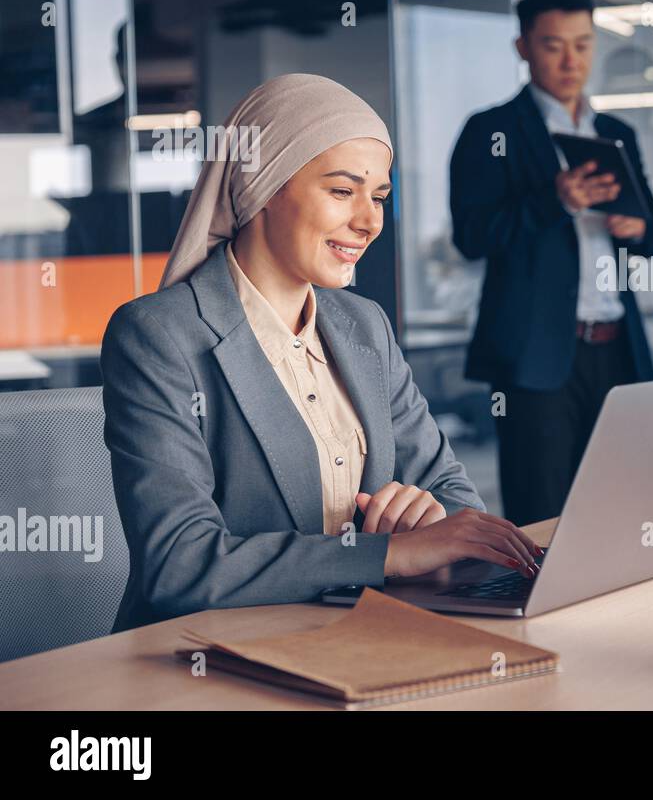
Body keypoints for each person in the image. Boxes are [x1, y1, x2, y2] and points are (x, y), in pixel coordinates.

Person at [102, 73, 540, 632]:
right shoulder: (158, 336)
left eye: (379, 196)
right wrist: (388, 556)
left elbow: (453, 493)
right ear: (261, 183)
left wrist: (428, 519)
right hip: (202, 655)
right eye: (342, 191)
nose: (369, 220)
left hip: (351, 634)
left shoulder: (364, 325)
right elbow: (179, 564)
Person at [450, 0, 653, 526]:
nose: (572, 60)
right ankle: (538, 610)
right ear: (523, 47)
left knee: (622, 504)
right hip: (535, 357)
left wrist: (635, 228)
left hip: (617, 349)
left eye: (583, 43)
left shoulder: (614, 132)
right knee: (542, 511)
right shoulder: (490, 131)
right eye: (553, 45)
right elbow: (472, 236)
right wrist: (555, 200)